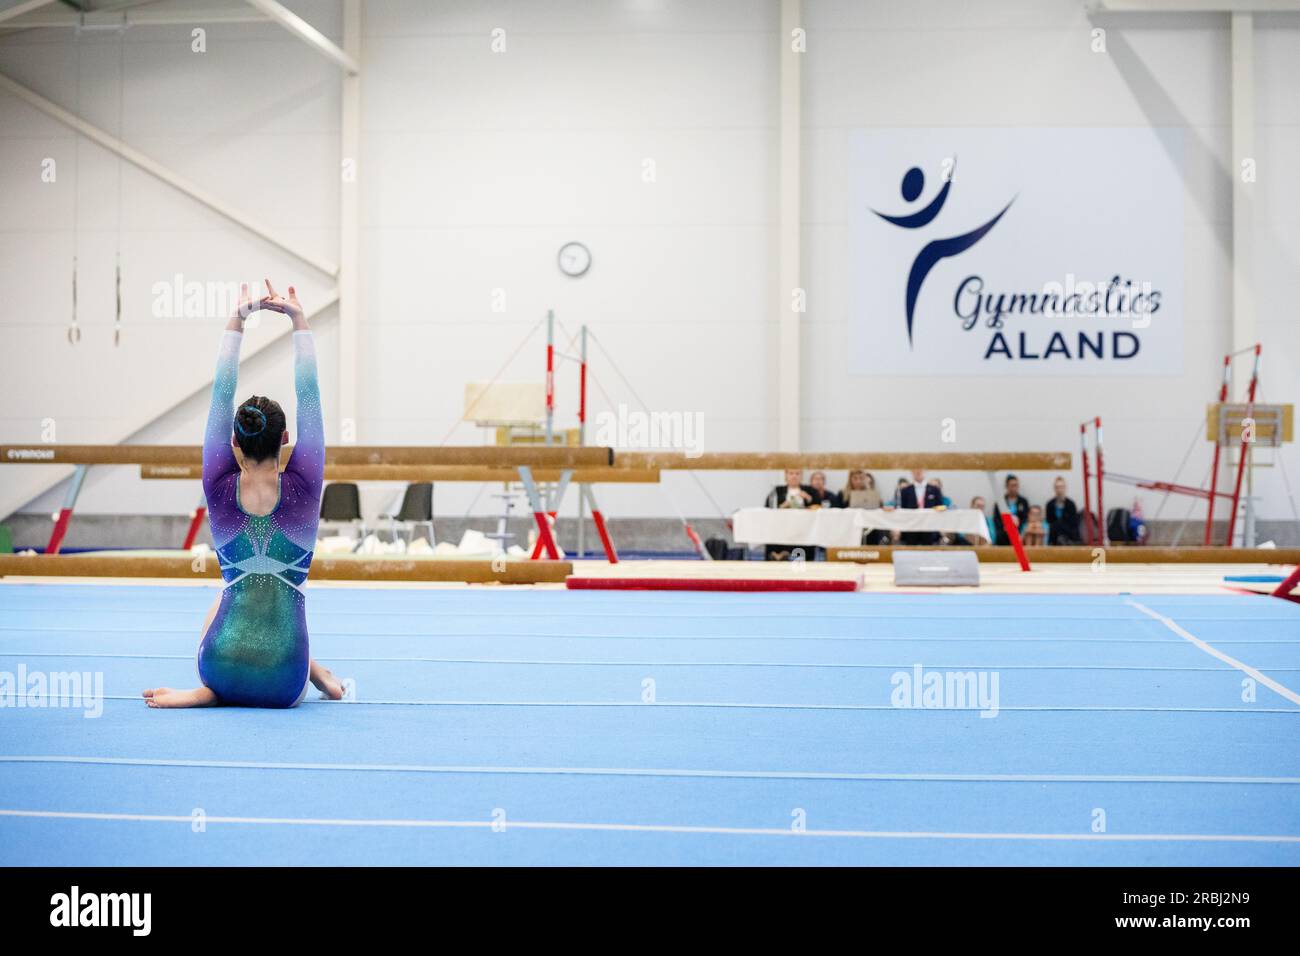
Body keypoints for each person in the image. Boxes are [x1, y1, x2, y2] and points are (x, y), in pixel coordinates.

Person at [143, 281, 345, 708]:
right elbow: (310, 394)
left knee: (230, 590)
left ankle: (209, 693)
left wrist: (238, 317)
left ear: (232, 442)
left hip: (218, 667)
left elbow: (221, 393)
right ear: (286, 438)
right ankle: (313, 668)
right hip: (286, 683)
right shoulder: (306, 485)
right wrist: (298, 320)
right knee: (275, 594)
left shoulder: (218, 484)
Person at [896, 467, 942, 544]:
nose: (918, 472)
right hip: (911, 528)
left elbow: (939, 506)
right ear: (911, 472)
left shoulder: (935, 490)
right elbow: (902, 509)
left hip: (929, 528)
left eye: (920, 469)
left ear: (925, 471)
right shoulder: (905, 491)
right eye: (915, 469)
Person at [992, 473, 1030, 545]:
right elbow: (996, 519)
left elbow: (1026, 518)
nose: (1014, 488)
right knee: (1001, 535)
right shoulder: (1000, 502)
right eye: (1012, 485)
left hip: (1019, 530)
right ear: (1007, 486)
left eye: (1016, 485)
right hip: (1004, 530)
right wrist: (1005, 526)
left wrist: (1018, 524)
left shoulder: (1023, 501)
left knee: (1022, 535)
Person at [1044, 476, 1081, 545]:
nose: (1059, 490)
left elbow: (1073, 522)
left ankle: (1063, 540)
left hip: (1069, 535)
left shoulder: (1071, 504)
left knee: (1060, 524)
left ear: (1065, 488)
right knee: (1055, 525)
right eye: (1057, 487)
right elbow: (1049, 521)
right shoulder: (1050, 504)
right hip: (1054, 535)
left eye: (1061, 487)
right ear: (1054, 489)